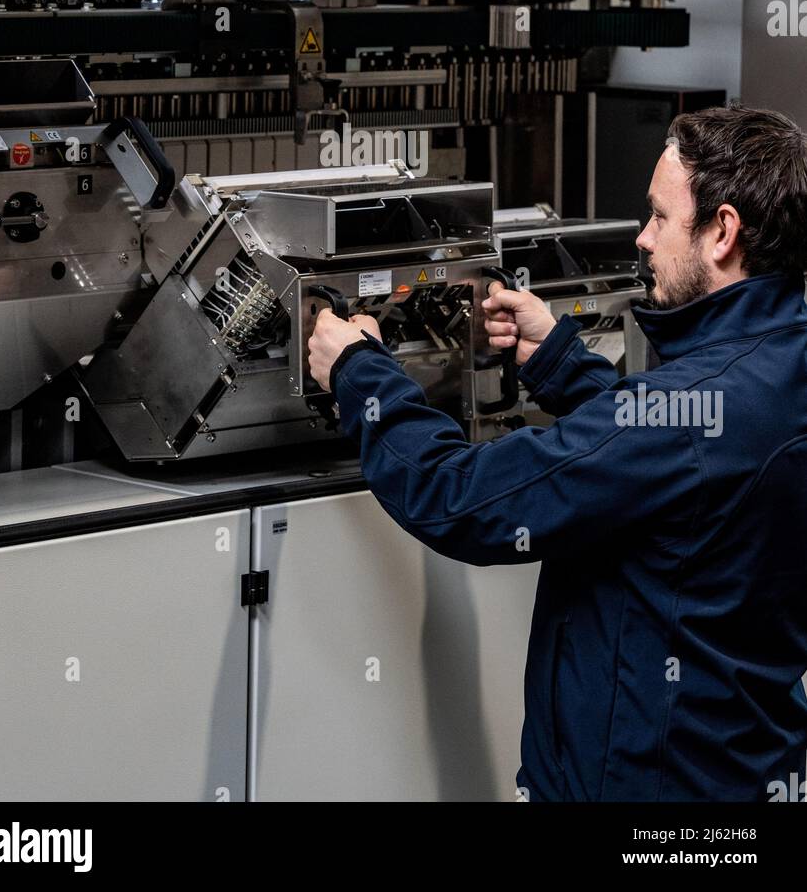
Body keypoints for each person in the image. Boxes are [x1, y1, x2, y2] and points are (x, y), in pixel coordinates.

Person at [307, 103, 807, 802]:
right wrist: (564, 364)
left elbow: (461, 499)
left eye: (661, 218)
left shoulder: (681, 421)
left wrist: (360, 371)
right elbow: (691, 455)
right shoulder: (779, 367)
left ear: (723, 232)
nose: (642, 238)